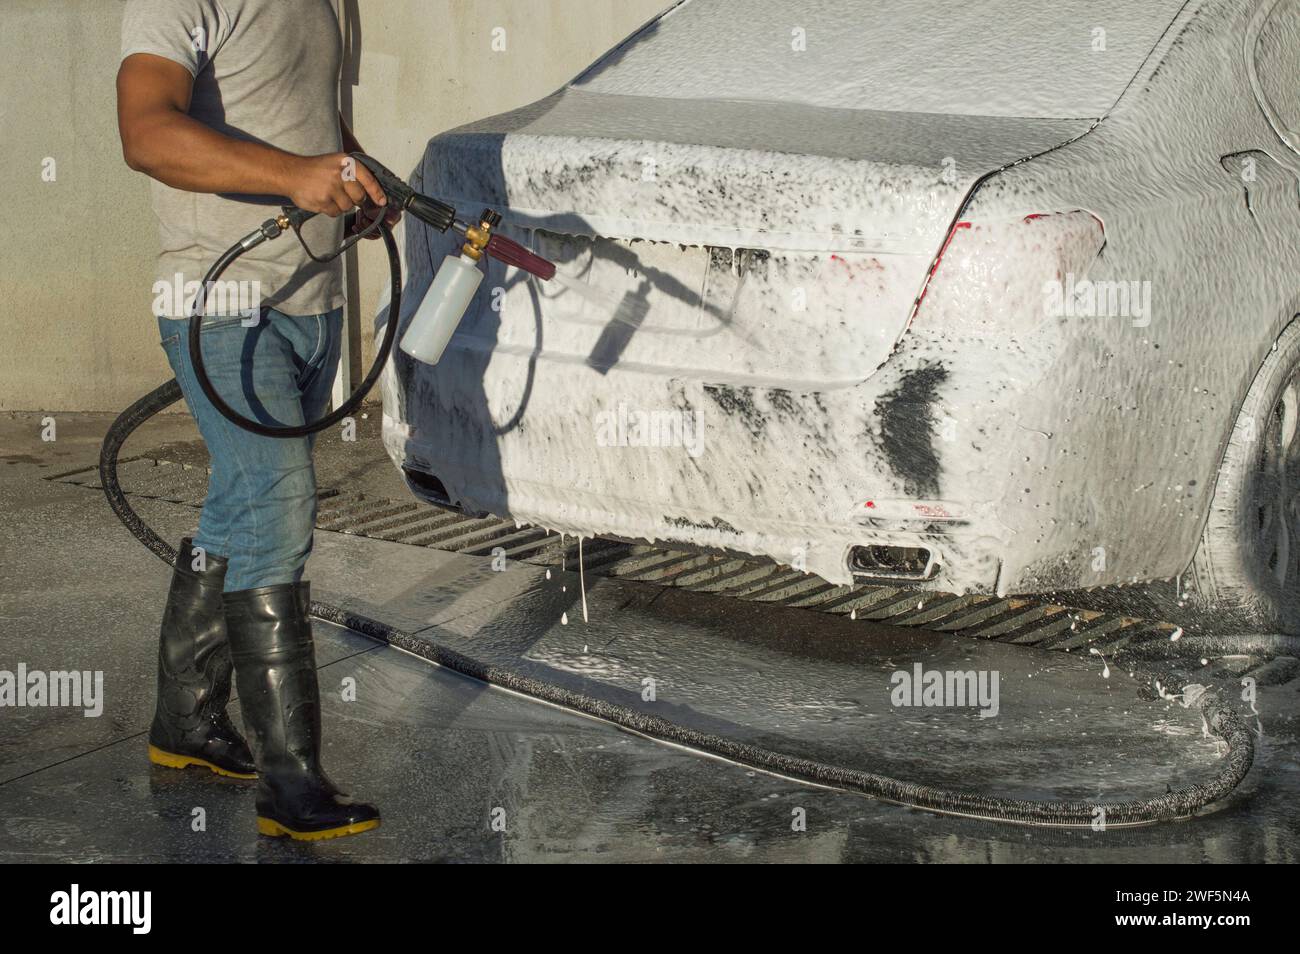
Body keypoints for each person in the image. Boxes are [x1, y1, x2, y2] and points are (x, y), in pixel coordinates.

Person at [116, 0, 398, 841]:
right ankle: (291, 785)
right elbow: (147, 133)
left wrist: (351, 178)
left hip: (308, 297)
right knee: (278, 508)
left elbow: (311, 116)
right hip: (220, 299)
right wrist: (293, 175)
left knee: (239, 506)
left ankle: (186, 725)